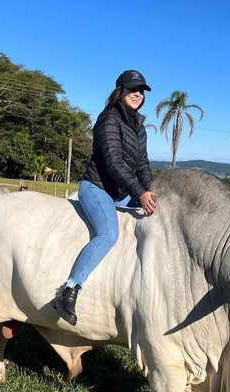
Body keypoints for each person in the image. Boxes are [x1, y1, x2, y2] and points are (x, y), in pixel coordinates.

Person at [52, 69, 158, 326]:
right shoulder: (108, 119)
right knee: (108, 234)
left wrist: (152, 190)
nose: (137, 94)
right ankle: (69, 289)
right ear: (119, 91)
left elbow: (141, 163)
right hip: (98, 189)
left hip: (123, 193)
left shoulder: (138, 126)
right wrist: (139, 193)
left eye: (141, 90)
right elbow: (113, 163)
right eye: (133, 89)